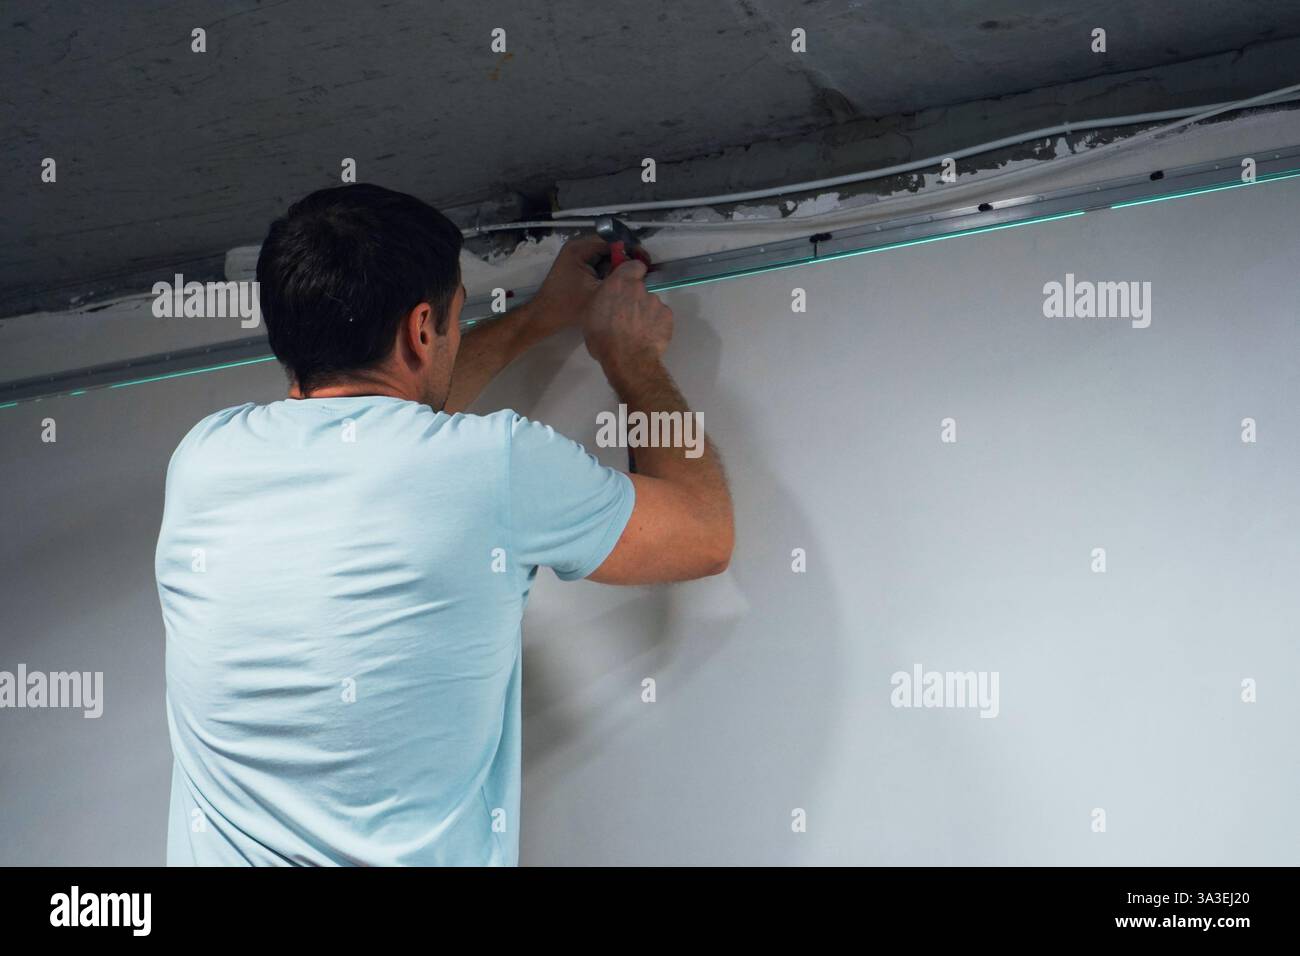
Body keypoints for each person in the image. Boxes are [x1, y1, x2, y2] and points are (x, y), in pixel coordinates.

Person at [155, 183, 733, 865]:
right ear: (420, 329)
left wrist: (540, 318)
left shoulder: (203, 462)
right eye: (456, 321)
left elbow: (380, 428)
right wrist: (631, 359)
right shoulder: (498, 465)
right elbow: (702, 532)